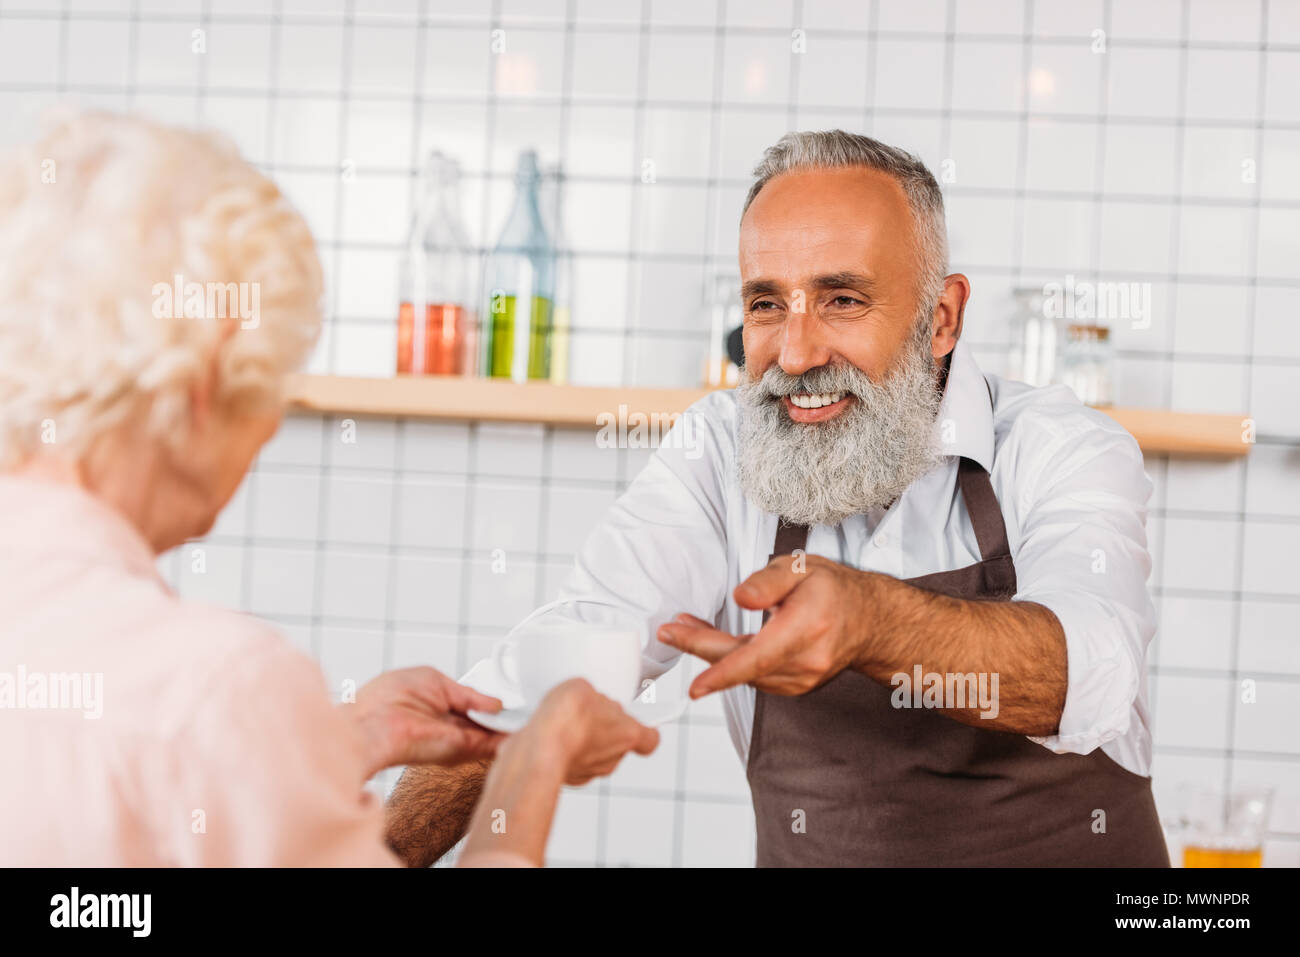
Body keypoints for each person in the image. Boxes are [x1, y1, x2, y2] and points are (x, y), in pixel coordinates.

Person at [387, 130, 1170, 867]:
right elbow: (561, 662)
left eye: (842, 300)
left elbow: (1092, 669)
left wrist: (873, 622)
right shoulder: (719, 451)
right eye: (767, 304)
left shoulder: (1062, 448)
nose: (795, 354)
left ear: (941, 318)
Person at [0, 110, 657, 868]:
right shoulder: (219, 683)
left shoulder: (202, 701)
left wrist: (338, 740)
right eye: (276, 387)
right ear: (208, 383)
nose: (272, 428)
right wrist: (535, 761)